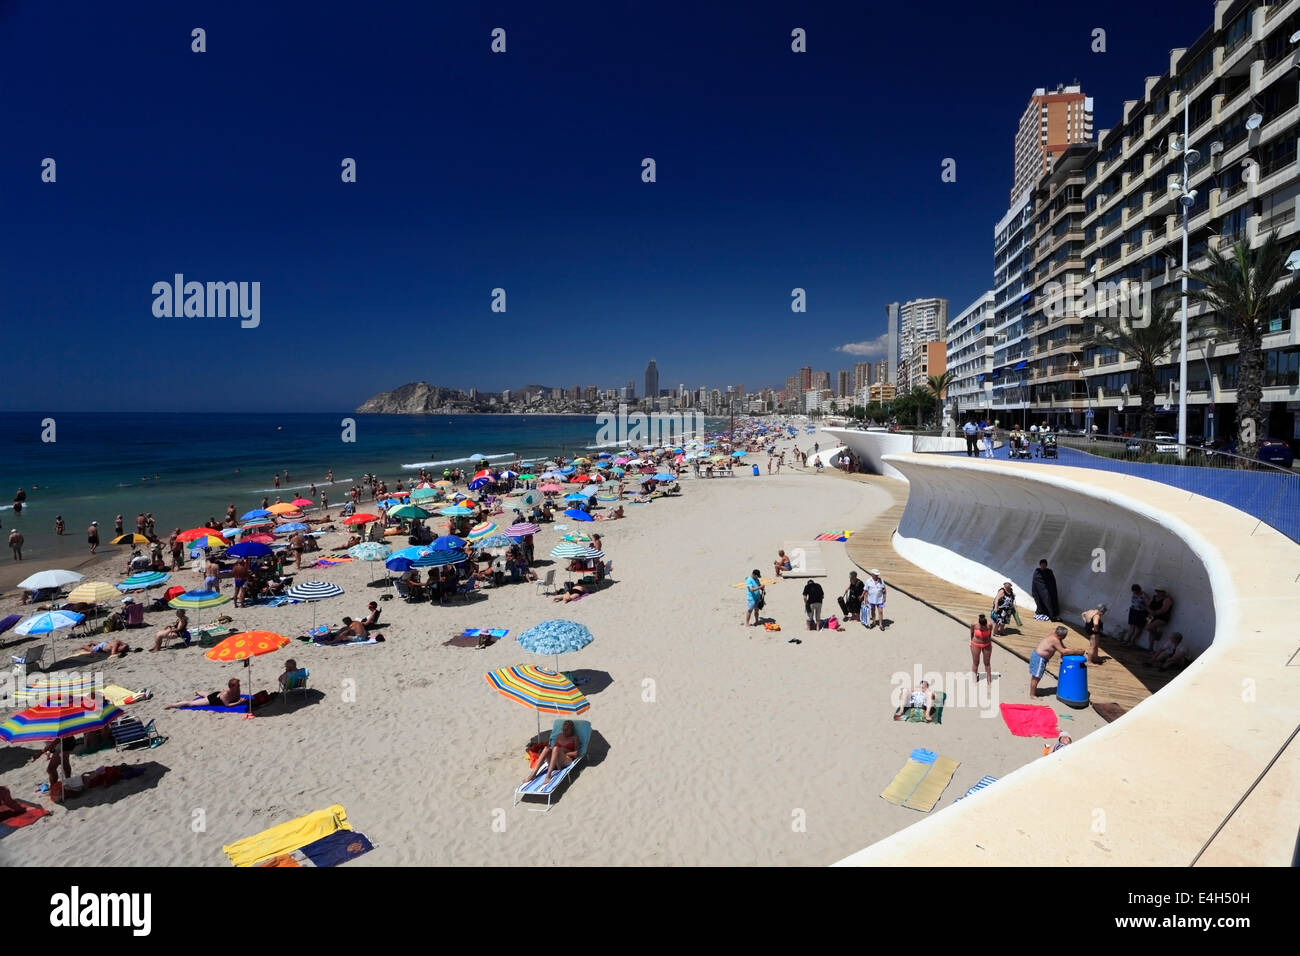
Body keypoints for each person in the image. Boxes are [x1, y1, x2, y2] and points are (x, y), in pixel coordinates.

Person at [1029, 626, 1086, 699]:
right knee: (1036, 677)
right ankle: (1032, 694)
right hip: (1039, 658)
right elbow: (1063, 651)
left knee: (1037, 676)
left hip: (1040, 657)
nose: (1065, 637)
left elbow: (1063, 648)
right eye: (1065, 636)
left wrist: (1073, 651)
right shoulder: (1054, 639)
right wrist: (1077, 651)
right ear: (1061, 635)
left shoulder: (1056, 636)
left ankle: (1033, 691)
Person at [523, 719, 581, 786]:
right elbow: (553, 749)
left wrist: (563, 752)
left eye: (566, 730)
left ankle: (548, 775)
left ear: (571, 729)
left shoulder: (574, 738)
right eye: (563, 729)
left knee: (556, 748)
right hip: (555, 761)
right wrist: (556, 751)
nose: (564, 731)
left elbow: (576, 754)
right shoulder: (559, 736)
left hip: (566, 760)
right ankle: (533, 774)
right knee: (546, 749)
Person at [166, 678, 242, 709]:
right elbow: (227, 705)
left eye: (239, 685)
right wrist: (239, 702)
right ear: (232, 687)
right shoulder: (225, 694)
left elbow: (237, 697)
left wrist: (238, 699)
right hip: (213, 700)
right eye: (237, 685)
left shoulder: (237, 690)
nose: (239, 686)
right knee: (191, 703)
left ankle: (198, 692)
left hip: (217, 695)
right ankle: (173, 705)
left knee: (207, 695)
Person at [970, 612, 994, 684]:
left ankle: (989, 680)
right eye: (981, 626)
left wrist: (989, 642)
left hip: (987, 644)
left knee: (987, 663)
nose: (983, 628)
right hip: (976, 644)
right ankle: (974, 679)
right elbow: (971, 634)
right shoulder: (974, 624)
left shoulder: (989, 625)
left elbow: (990, 635)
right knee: (976, 663)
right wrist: (971, 642)